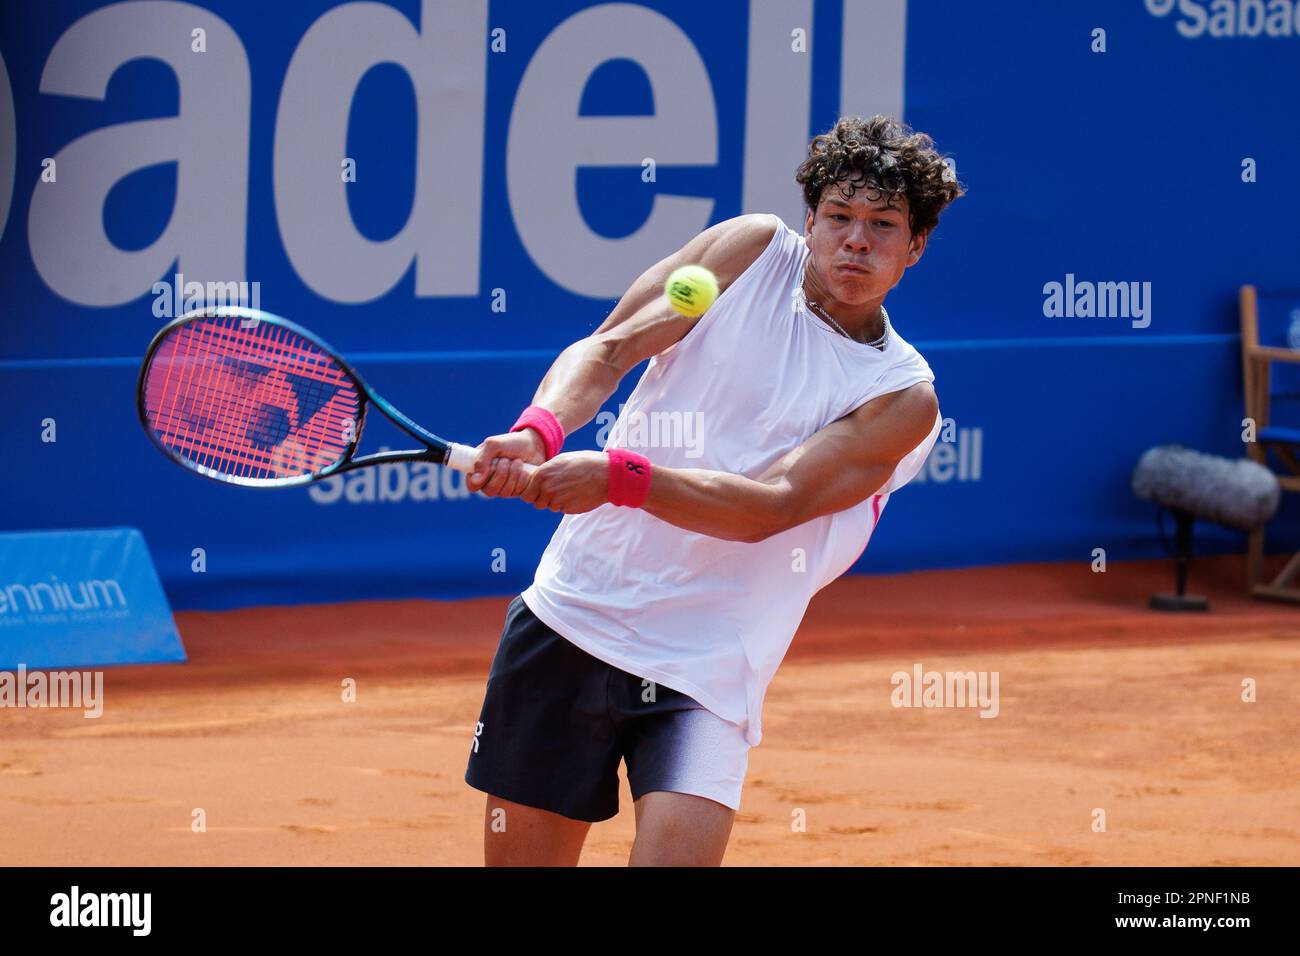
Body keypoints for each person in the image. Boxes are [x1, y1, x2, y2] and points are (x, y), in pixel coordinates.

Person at [464, 115, 965, 866]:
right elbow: (611, 347)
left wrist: (615, 477)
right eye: (839, 217)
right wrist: (536, 433)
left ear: (915, 247)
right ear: (811, 219)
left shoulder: (901, 398)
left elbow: (772, 506)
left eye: (883, 225)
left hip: (707, 670)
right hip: (575, 616)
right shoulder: (749, 251)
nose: (855, 240)